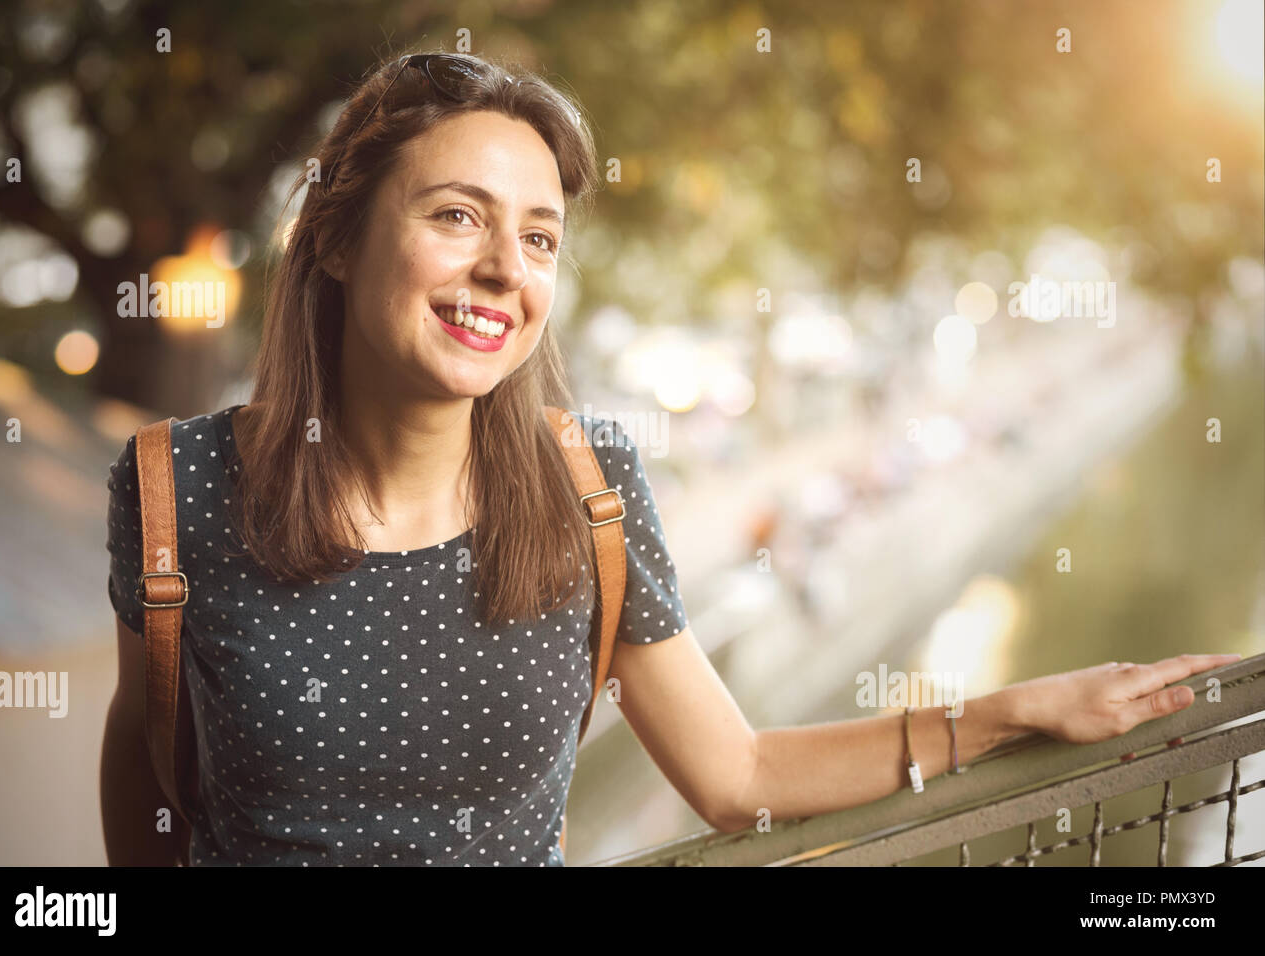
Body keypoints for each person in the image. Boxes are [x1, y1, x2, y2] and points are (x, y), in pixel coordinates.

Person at [100, 50, 1240, 867]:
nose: (508, 266)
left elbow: (735, 777)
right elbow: (146, 767)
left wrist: (1009, 712)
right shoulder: (174, 488)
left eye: (538, 236)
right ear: (340, 238)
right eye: (457, 216)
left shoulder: (589, 487)